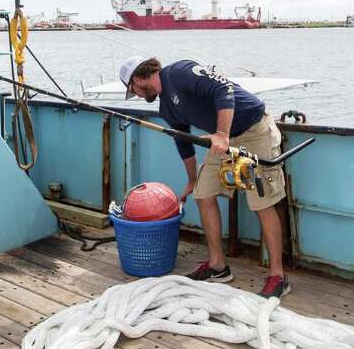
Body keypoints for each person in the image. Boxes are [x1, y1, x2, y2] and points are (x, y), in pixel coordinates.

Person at [118, 55, 290, 298]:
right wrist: (191, 178)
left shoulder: (180, 71)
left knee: (262, 204)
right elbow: (183, 140)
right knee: (202, 193)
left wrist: (221, 133)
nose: (136, 95)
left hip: (254, 130)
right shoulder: (166, 106)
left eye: (133, 90)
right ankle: (218, 266)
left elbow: (223, 88)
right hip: (224, 141)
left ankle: (278, 276)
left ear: (137, 79)